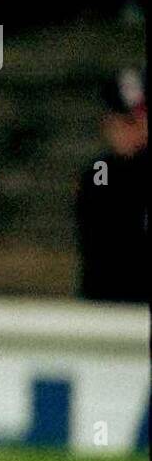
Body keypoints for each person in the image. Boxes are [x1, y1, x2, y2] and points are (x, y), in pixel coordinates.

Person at [76, 68, 147, 304]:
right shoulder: (101, 172)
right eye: (127, 121)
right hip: (110, 302)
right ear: (108, 123)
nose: (136, 129)